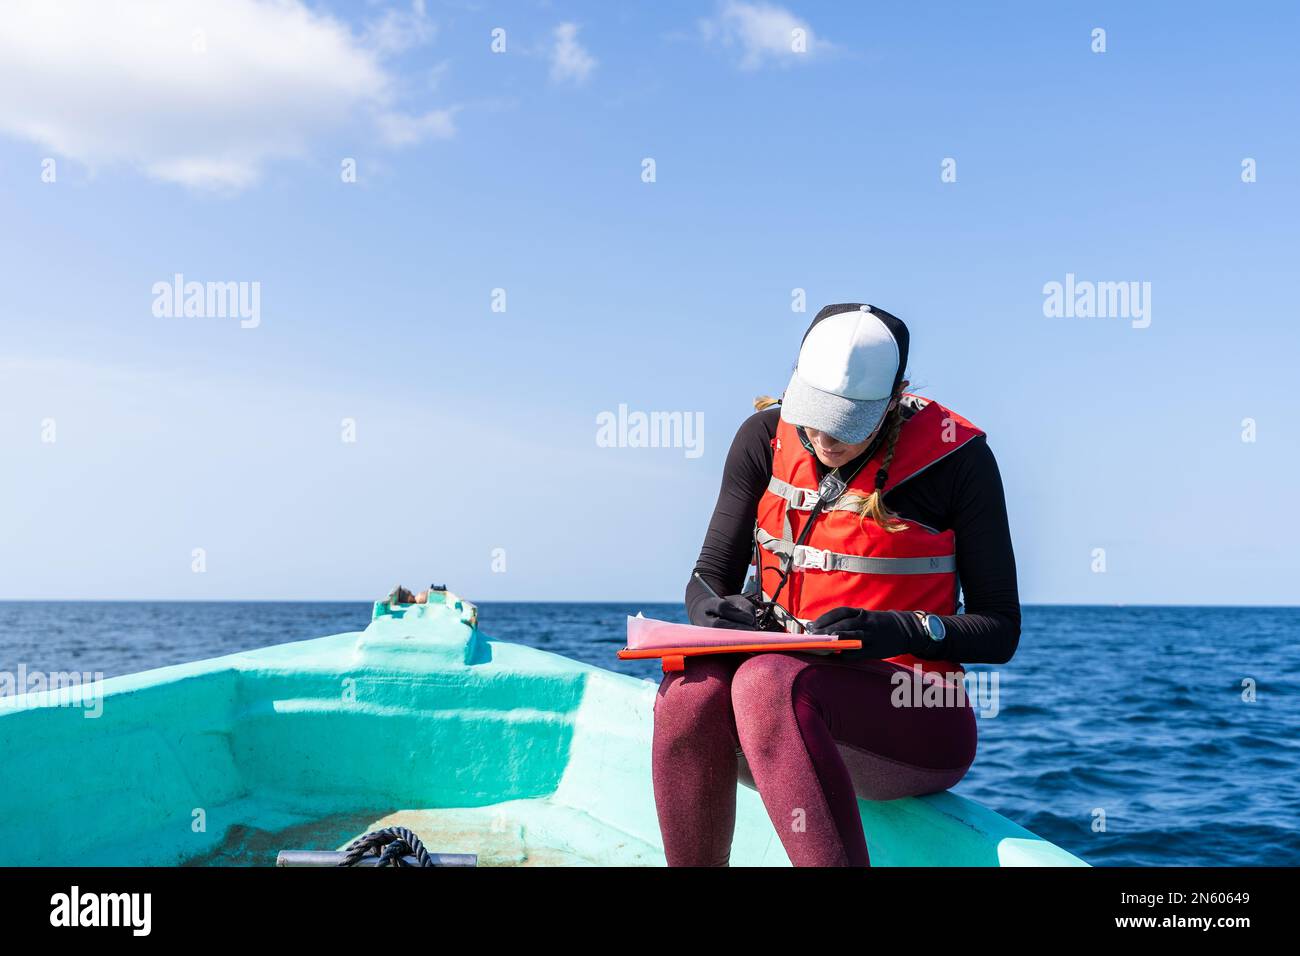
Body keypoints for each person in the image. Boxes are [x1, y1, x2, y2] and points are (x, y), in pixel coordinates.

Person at [651, 302, 1022, 866]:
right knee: (690, 690)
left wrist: (898, 628)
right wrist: (713, 612)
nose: (825, 437)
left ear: (894, 397)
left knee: (767, 684)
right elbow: (706, 579)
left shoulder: (960, 462)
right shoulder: (761, 437)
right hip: (779, 708)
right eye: (816, 413)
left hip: (913, 711)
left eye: (848, 422)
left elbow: (1000, 629)